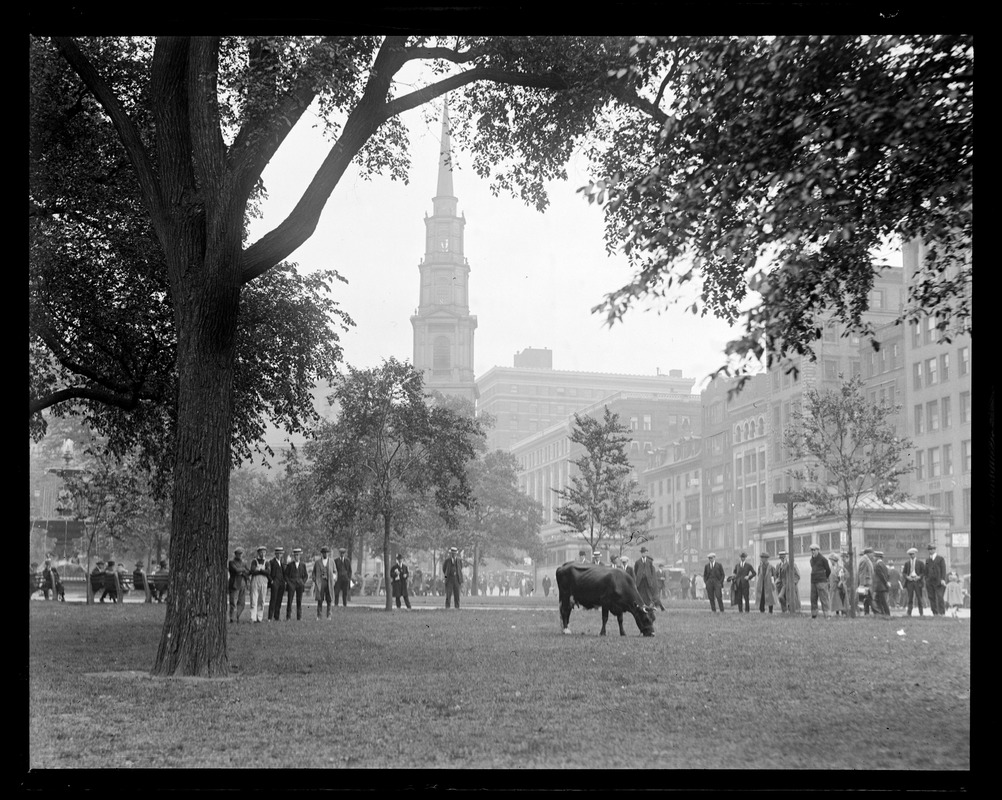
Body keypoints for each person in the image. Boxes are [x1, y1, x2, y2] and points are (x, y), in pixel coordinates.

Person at [808, 543, 831, 620]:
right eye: (811, 550)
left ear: (818, 550)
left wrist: (825, 578)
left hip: (821, 582)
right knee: (813, 598)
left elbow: (828, 570)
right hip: (813, 582)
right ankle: (814, 615)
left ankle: (827, 615)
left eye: (814, 550)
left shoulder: (823, 559)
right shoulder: (811, 560)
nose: (813, 552)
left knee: (824, 598)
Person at [284, 547, 308, 620]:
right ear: (294, 556)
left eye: (298, 555)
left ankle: (299, 617)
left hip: (300, 584)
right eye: (295, 555)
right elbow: (285, 575)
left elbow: (306, 575)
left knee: (299, 601)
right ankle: (288, 617)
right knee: (290, 600)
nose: (297, 556)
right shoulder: (290, 565)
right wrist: (289, 583)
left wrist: (302, 582)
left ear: (300, 556)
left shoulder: (303, 565)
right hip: (292, 584)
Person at [312, 546, 336, 620]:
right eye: (324, 553)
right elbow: (313, 573)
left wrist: (333, 579)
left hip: (329, 582)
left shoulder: (331, 562)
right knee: (320, 599)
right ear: (321, 554)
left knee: (329, 599)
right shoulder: (317, 562)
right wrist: (315, 580)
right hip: (320, 582)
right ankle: (319, 615)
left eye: (326, 552)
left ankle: (329, 615)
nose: (325, 554)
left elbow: (335, 572)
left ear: (328, 553)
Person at [228, 547, 250, 623]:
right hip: (234, 583)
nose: (240, 555)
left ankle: (237, 616)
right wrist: (243, 570)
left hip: (243, 583)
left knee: (242, 602)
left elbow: (249, 572)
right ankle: (232, 618)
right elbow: (236, 570)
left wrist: (242, 571)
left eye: (241, 554)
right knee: (233, 602)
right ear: (235, 554)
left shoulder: (244, 562)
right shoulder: (231, 562)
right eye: (238, 554)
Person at [902, 546, 925, 616]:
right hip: (910, 581)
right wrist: (907, 577)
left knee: (919, 597)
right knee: (910, 597)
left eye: (913, 554)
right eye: (910, 554)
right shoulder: (907, 563)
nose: (912, 555)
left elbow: (923, 572)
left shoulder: (920, 563)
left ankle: (921, 613)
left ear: (915, 554)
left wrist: (919, 577)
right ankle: (909, 613)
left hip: (917, 581)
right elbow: (904, 573)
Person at [248, 546, 270, 623]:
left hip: (263, 582)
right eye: (261, 552)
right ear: (258, 553)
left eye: (264, 552)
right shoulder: (254, 561)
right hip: (255, 581)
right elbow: (253, 570)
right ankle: (252, 618)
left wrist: (259, 570)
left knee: (262, 600)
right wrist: (262, 570)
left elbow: (268, 572)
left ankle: (259, 618)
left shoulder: (267, 562)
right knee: (254, 600)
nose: (262, 553)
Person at [925, 543, 947, 616]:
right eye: (929, 549)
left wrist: (943, 579)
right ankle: (935, 612)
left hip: (938, 581)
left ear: (935, 549)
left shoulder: (940, 559)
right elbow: (926, 571)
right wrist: (926, 579)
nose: (930, 551)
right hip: (930, 581)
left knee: (940, 597)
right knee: (931, 597)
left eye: (932, 549)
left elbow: (943, 569)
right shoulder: (928, 560)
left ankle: (942, 612)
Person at [267, 547, 286, 621]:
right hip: (275, 582)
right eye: (278, 553)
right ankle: (270, 617)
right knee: (273, 599)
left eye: (281, 553)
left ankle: (276, 616)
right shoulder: (271, 562)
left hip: (281, 583)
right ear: (275, 554)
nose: (279, 555)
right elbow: (268, 573)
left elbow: (284, 573)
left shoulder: (281, 563)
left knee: (279, 600)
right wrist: (271, 581)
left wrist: (284, 581)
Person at [871, 551, 891, 618]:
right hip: (882, 586)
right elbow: (887, 575)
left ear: (878, 557)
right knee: (880, 600)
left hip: (880, 586)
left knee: (883, 601)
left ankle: (886, 613)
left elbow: (881, 575)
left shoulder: (878, 565)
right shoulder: (883, 564)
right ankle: (883, 613)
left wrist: (885, 583)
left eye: (875, 556)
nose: (874, 558)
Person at [856, 547, 875, 617]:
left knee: (866, 599)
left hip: (867, 583)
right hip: (865, 583)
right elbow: (862, 573)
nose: (873, 555)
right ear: (868, 553)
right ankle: (862, 613)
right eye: (872, 553)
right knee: (864, 599)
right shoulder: (865, 560)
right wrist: (862, 584)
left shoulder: (866, 560)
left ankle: (866, 613)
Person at [828, 552, 847, 616]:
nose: (830, 561)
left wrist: (840, 582)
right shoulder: (831, 568)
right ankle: (837, 613)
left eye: (831, 560)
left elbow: (842, 577)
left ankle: (843, 613)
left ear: (834, 560)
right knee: (834, 601)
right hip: (833, 587)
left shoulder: (840, 568)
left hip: (838, 587)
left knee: (840, 600)